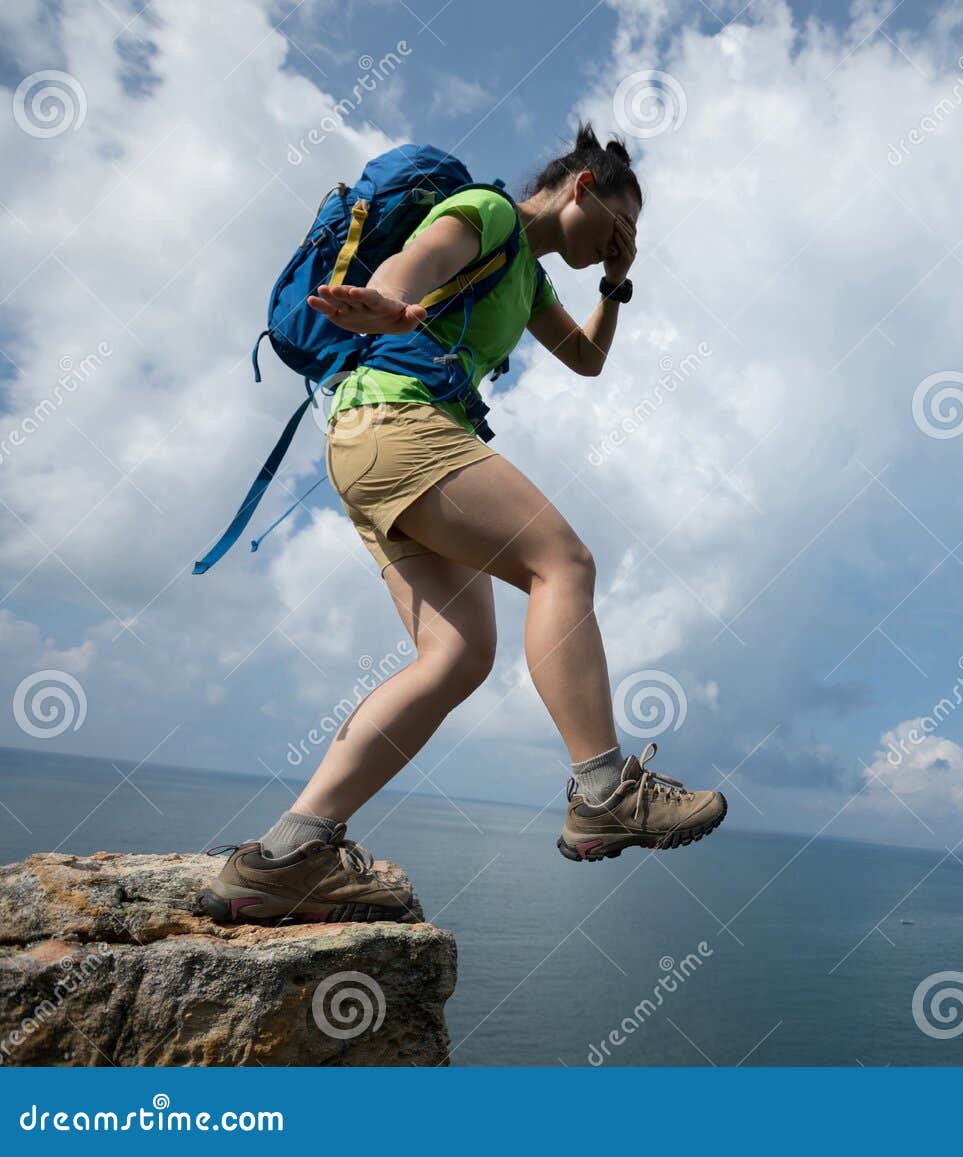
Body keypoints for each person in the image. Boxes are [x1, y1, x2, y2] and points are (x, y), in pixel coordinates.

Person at [199, 124, 727, 925]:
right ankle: (604, 790)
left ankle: (284, 855)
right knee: (564, 562)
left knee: (455, 656)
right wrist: (389, 301)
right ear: (581, 187)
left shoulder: (533, 281)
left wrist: (615, 284)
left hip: (371, 444)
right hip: (397, 422)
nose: (624, 241)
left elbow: (586, 359)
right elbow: (415, 263)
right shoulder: (488, 213)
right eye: (622, 224)